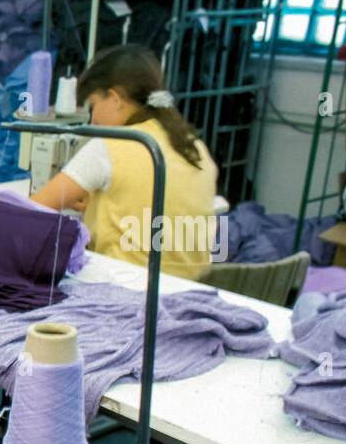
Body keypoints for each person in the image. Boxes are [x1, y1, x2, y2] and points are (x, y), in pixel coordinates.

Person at [30, 45, 218, 279]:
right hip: (189, 290)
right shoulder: (195, 147)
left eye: (94, 104)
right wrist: (101, 208)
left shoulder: (112, 145)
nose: (94, 118)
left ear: (115, 98)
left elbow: (30, 209)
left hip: (127, 291)